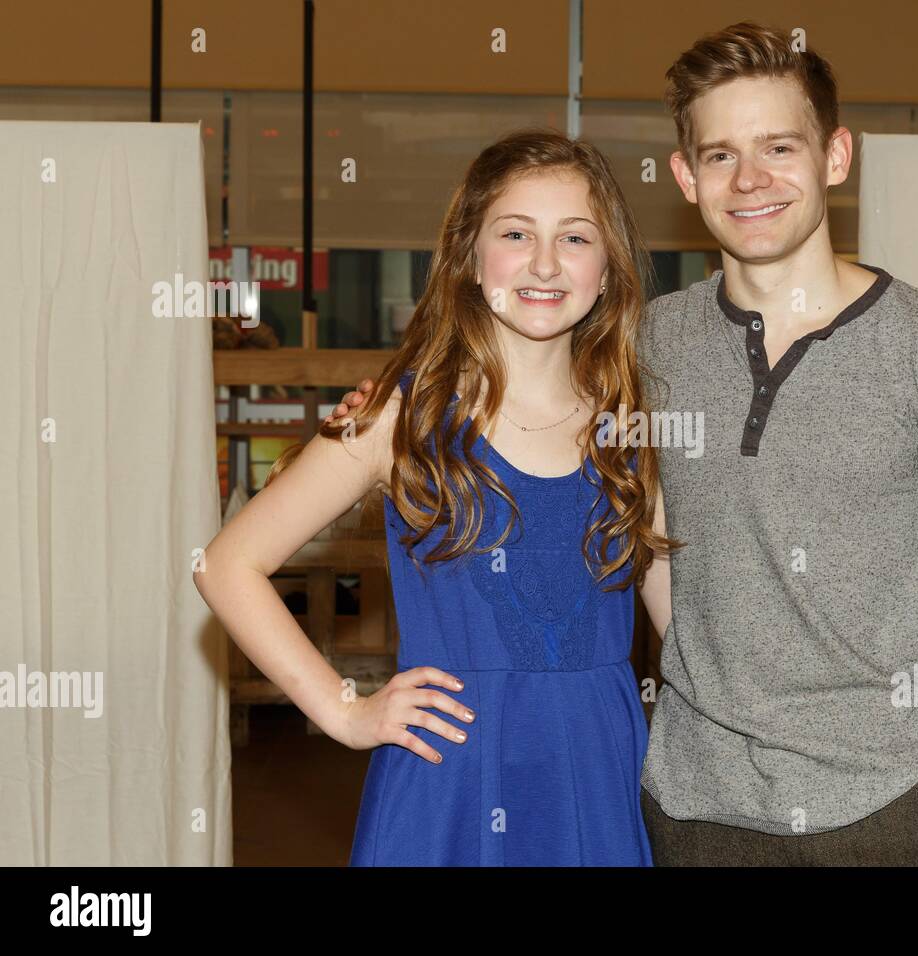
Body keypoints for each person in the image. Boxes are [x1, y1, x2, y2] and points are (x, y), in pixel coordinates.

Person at [329, 21, 918, 866]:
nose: (751, 179)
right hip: (694, 809)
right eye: (721, 155)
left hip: (892, 806)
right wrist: (382, 412)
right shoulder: (639, 352)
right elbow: (515, 389)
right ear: (687, 177)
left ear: (836, 157)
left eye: (779, 147)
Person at [194, 129, 678, 866]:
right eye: (516, 233)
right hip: (449, 778)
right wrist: (344, 711)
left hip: (596, 778)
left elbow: (688, 630)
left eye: (575, 237)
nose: (546, 262)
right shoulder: (403, 417)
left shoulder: (632, 430)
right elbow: (227, 564)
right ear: (470, 259)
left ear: (608, 268)